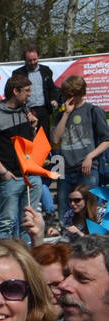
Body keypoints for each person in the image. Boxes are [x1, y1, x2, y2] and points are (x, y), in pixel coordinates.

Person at [0, 74, 40, 240]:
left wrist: (33, 128)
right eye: (27, 91)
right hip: (11, 177)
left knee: (29, 222)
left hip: (31, 176)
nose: (29, 94)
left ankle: (27, 259)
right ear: (15, 91)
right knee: (6, 222)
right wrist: (3, 172)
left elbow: (33, 146)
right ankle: (2, 258)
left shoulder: (27, 112)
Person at [52, 75, 109, 220]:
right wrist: (66, 114)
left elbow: (106, 140)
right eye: (67, 95)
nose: (70, 98)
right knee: (66, 212)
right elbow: (55, 139)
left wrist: (90, 156)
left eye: (73, 95)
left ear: (81, 94)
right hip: (65, 169)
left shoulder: (93, 111)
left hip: (87, 169)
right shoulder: (60, 115)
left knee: (90, 210)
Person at [12, 42, 62, 140]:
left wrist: (53, 100)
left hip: (44, 110)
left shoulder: (46, 70)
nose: (33, 62)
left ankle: (46, 155)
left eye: (35, 59)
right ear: (25, 60)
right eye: (29, 60)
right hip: (27, 111)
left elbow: (52, 89)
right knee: (28, 137)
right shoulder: (18, 73)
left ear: (38, 57)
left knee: (44, 138)